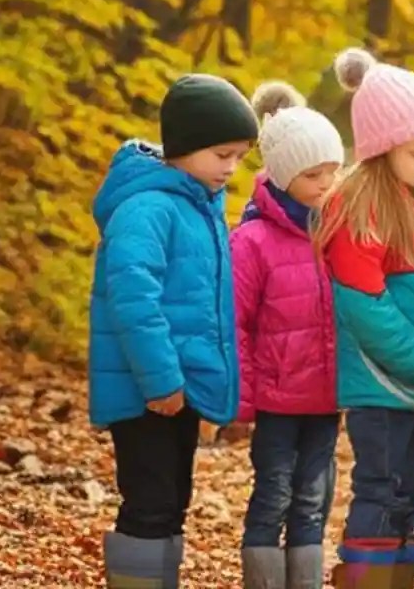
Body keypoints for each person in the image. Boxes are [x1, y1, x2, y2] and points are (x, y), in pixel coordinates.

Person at [90, 74, 258, 588]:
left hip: (177, 389)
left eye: (240, 156)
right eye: (222, 154)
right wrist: (161, 380)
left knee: (170, 503)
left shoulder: (196, 206)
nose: (231, 168)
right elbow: (133, 299)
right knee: (149, 503)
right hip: (148, 390)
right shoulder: (148, 209)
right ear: (184, 147)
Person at [314, 48, 414, 588]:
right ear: (382, 147)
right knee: (380, 486)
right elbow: (364, 304)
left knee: (408, 492)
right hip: (385, 384)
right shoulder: (359, 207)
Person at [232, 81, 346, 588]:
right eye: (312, 175)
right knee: (273, 492)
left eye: (332, 172)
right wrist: (243, 399)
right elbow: (234, 322)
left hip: (327, 398)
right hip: (278, 399)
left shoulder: (339, 232)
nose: (326, 183)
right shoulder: (252, 241)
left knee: (313, 498)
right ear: (282, 176)